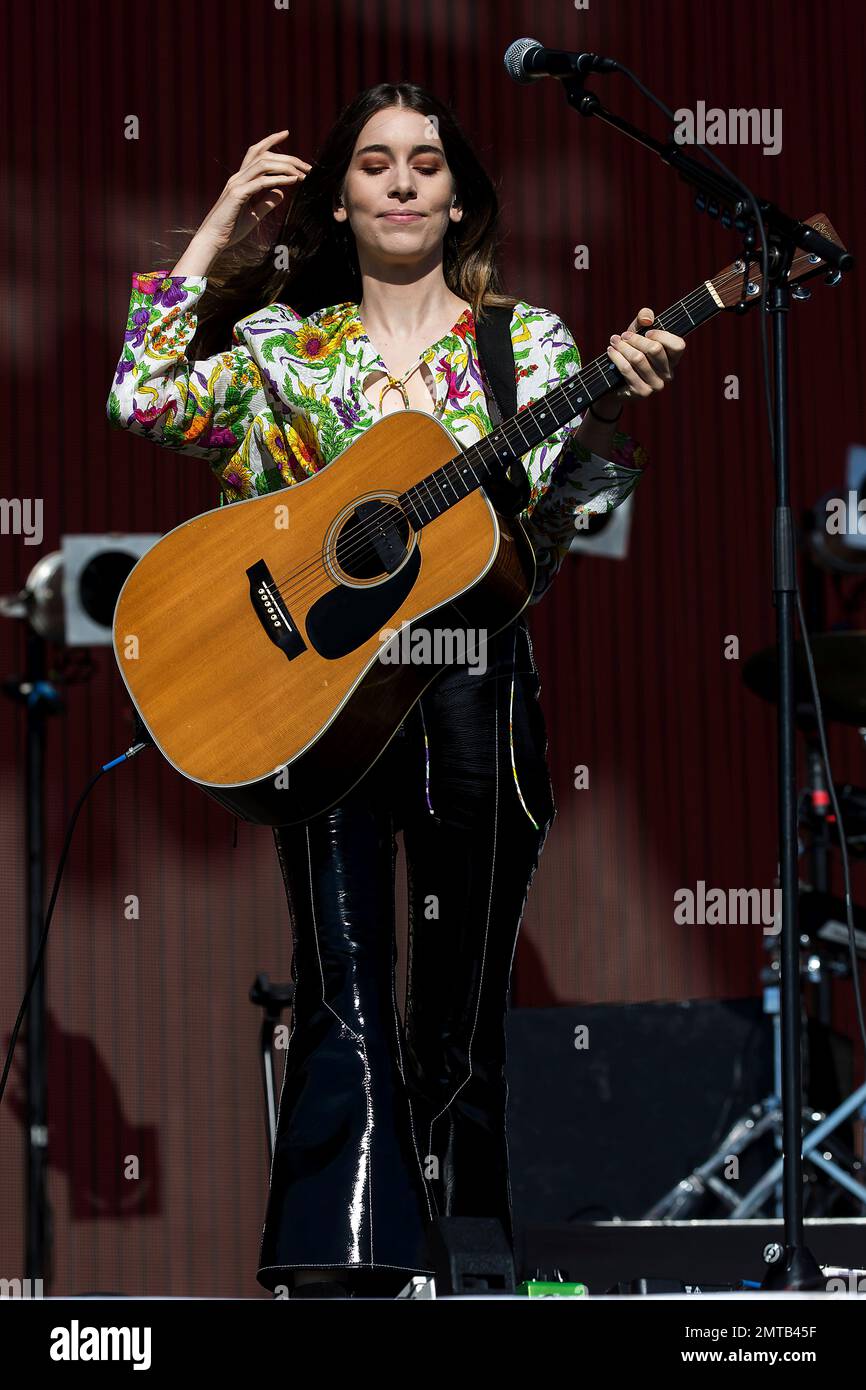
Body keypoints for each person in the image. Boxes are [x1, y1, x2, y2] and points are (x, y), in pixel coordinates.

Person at [106, 81, 685, 1299]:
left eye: (426, 159)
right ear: (341, 195)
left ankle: (467, 1257)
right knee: (344, 978)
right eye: (374, 162)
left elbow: (564, 526)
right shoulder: (282, 345)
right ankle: (344, 1258)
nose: (404, 178)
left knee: (461, 1001)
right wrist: (214, 228)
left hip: (474, 688)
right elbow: (142, 400)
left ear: (458, 193)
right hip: (320, 703)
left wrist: (611, 426)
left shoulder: (521, 345)